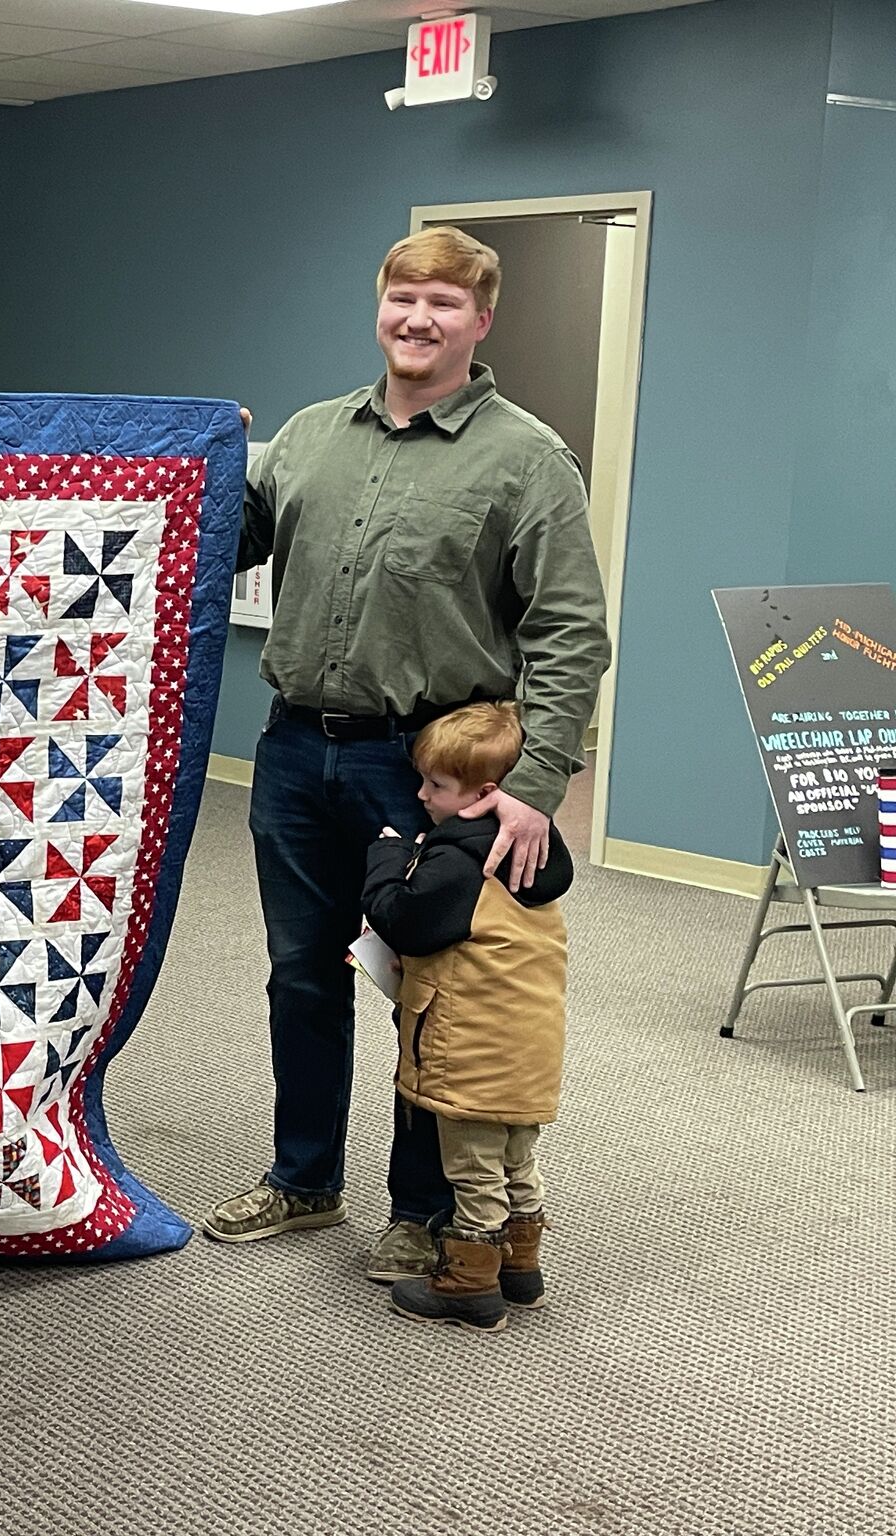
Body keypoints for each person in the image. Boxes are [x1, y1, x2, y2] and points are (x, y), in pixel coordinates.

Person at [202, 226, 609, 1283]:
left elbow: (570, 633)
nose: (416, 320)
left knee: (428, 990)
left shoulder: (524, 458)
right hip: (295, 755)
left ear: (480, 321)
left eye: (442, 304)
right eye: (401, 299)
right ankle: (300, 1183)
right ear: (378, 306)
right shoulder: (305, 437)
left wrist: (531, 785)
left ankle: (422, 1211)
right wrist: (198, 451)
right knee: (301, 976)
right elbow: (217, 541)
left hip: (430, 777)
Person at [360, 702, 567, 1332]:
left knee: (472, 1168)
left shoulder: (458, 864)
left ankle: (469, 1282)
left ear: (485, 795)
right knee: (516, 1158)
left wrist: (387, 860)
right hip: (528, 1048)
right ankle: (520, 1267)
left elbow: (402, 922)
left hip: (469, 1049)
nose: (421, 795)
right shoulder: (536, 858)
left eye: (436, 786)